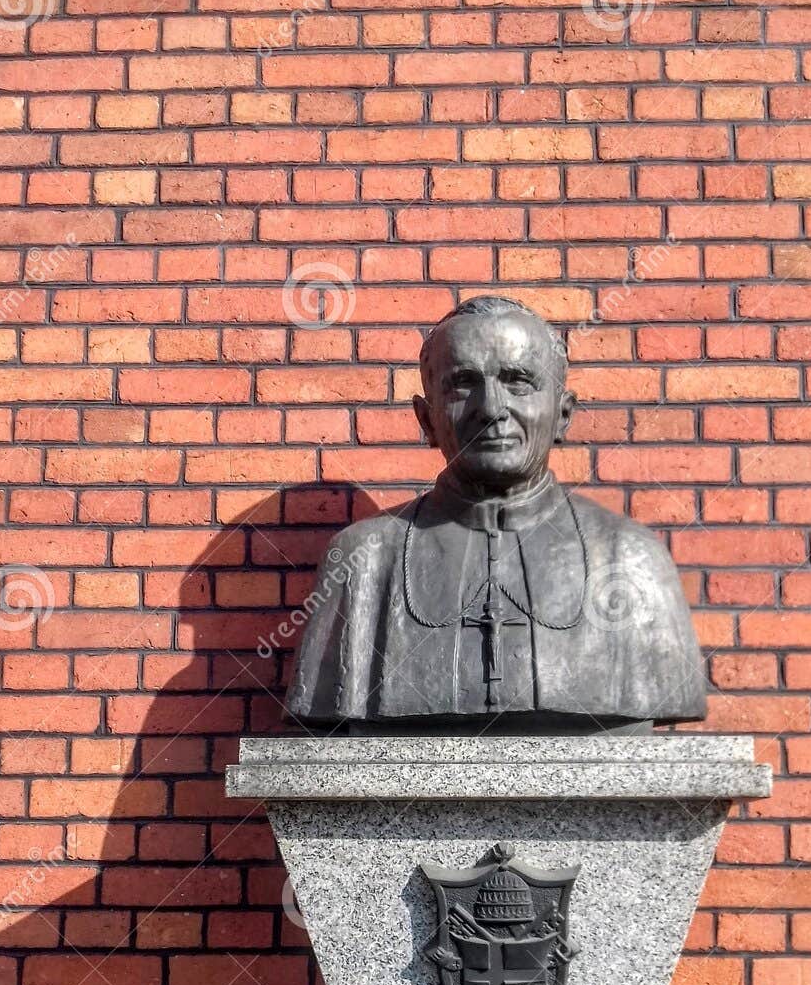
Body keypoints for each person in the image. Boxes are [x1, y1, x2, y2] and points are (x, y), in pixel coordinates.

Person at [285, 295, 707, 732]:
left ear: (563, 415)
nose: (491, 409)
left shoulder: (631, 557)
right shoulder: (364, 560)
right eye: (464, 382)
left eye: (519, 381)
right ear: (426, 419)